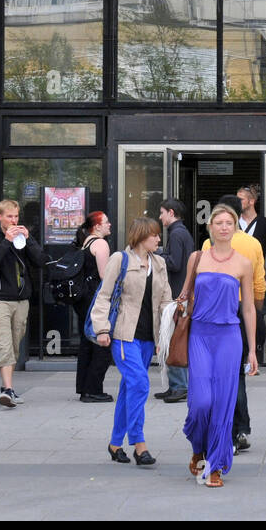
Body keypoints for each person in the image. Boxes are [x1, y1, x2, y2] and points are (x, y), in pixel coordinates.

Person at [180, 203, 257, 488]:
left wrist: (252, 350)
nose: (224, 227)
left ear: (235, 228)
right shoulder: (197, 258)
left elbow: (248, 309)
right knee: (201, 401)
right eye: (219, 223)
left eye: (229, 223)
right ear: (210, 227)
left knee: (224, 403)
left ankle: (215, 465)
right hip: (199, 335)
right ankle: (198, 447)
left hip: (229, 337)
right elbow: (185, 297)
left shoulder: (243, 263)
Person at [93, 217, 171, 467]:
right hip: (124, 335)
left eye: (159, 235)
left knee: (130, 388)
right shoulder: (120, 259)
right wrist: (102, 329)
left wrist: (166, 334)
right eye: (154, 235)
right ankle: (139, 444)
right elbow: (104, 296)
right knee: (139, 384)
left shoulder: (159, 263)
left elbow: (165, 301)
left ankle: (115, 443)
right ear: (140, 236)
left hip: (149, 337)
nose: (159, 239)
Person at [200, 194, 266, 453]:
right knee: (236, 374)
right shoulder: (253, 243)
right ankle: (241, 427)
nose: (223, 227)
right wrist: (255, 312)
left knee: (222, 376)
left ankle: (228, 429)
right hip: (242, 310)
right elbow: (258, 283)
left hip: (218, 313)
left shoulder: (208, 245)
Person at [0, 199, 46, 408]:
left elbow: (41, 260)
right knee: (3, 342)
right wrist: (6, 242)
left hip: (21, 299)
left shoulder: (23, 237)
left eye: (16, 216)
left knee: (15, 344)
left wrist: (30, 239)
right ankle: (8, 389)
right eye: (9, 216)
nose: (13, 220)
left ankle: (6, 387)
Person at [73, 211, 114, 403]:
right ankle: (93, 389)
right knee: (101, 345)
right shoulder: (101, 244)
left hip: (83, 300)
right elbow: (105, 276)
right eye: (106, 222)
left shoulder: (86, 242)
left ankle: (83, 387)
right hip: (95, 300)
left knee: (86, 343)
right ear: (97, 226)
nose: (109, 225)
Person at [156, 199, 194, 403]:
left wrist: (158, 252)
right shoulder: (181, 232)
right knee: (173, 338)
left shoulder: (177, 233)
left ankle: (179, 386)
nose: (160, 217)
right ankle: (175, 385)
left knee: (174, 339)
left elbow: (175, 263)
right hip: (180, 292)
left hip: (177, 293)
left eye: (162, 212)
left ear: (171, 212)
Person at [237, 184, 266, 355]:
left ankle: (255, 352)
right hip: (235, 278)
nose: (237, 201)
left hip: (256, 278)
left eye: (240, 199)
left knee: (256, 316)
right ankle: (240, 352)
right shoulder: (230, 223)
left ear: (252, 201)